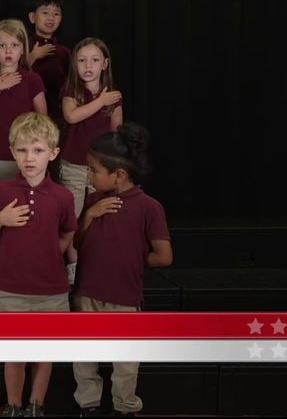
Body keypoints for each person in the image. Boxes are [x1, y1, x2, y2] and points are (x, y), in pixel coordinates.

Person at [73, 124, 172, 417]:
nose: (89, 176)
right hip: (87, 293)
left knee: (126, 361)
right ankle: (88, 404)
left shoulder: (148, 207)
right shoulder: (92, 201)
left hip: (124, 298)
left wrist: (130, 258)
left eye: (93, 170)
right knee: (84, 356)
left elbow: (163, 256)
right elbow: (77, 243)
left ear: (118, 175)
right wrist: (90, 215)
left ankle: (124, 406)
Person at [0, 113, 76, 417]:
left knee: (44, 353)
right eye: (22, 150)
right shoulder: (2, 191)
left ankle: (36, 404)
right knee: (15, 352)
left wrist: (53, 252)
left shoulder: (62, 196)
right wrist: (1, 219)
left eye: (37, 150)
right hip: (11, 288)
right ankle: (13, 404)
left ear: (53, 153)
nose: (29, 158)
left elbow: (68, 232)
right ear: (12, 152)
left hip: (51, 290)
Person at [59, 38, 123, 278]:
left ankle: (97, 260)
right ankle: (73, 263)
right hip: (74, 164)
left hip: (101, 168)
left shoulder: (113, 97)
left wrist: (114, 165)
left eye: (95, 60)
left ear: (105, 64)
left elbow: (117, 132)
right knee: (73, 217)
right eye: (82, 60)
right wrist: (100, 101)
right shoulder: (71, 90)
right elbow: (72, 116)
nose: (88, 65)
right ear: (74, 64)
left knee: (99, 213)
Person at [0, 19, 47, 192]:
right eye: (2, 45)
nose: (8, 50)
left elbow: (42, 120)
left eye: (14, 45)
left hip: (23, 156)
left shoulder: (32, 79)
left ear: (22, 49)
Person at [26, 0, 71, 122]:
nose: (51, 18)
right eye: (45, 13)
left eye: (56, 14)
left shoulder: (64, 52)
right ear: (32, 17)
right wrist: (32, 56)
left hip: (57, 116)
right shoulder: (22, 47)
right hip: (27, 115)